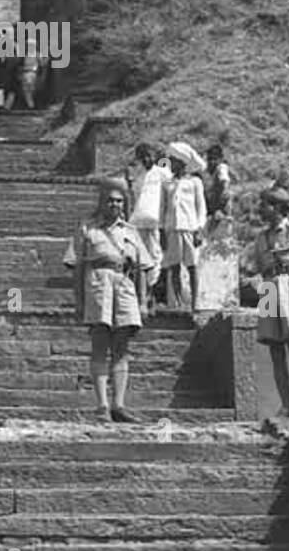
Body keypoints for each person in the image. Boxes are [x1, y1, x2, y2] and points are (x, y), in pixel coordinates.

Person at [63, 178, 154, 423]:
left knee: (122, 347)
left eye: (119, 201)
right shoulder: (88, 227)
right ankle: (102, 404)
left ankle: (119, 404)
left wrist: (144, 301)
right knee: (100, 343)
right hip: (98, 284)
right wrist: (79, 301)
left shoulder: (131, 231)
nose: (115, 205)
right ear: (102, 203)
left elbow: (142, 268)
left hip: (124, 285)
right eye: (110, 200)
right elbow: (78, 266)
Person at [246, 184, 289, 419]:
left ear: (276, 207)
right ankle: (286, 404)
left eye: (265, 204)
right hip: (269, 288)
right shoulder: (261, 238)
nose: (260, 209)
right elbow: (256, 266)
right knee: (275, 350)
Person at [160, 141, 207, 315]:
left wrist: (199, 228)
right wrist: (162, 230)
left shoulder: (194, 182)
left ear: (181, 162)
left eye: (172, 160)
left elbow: (201, 207)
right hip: (172, 228)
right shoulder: (167, 183)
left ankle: (195, 302)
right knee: (174, 267)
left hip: (189, 228)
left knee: (192, 266)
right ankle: (178, 303)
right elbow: (162, 208)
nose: (169, 164)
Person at [126, 144, 167, 312]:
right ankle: (142, 297)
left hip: (153, 220)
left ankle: (147, 295)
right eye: (145, 157)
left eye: (150, 156)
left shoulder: (160, 172)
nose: (148, 160)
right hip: (139, 220)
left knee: (154, 257)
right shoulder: (139, 174)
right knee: (140, 259)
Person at [205, 145, 234, 236]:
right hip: (214, 213)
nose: (211, 162)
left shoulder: (221, 167)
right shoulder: (211, 174)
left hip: (221, 213)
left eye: (214, 159)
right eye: (209, 159)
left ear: (220, 159)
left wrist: (225, 190)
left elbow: (224, 181)